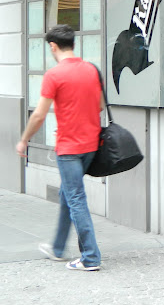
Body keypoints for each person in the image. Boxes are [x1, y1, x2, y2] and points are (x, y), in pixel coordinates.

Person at [16, 25, 103, 271]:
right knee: (68, 194)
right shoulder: (92, 70)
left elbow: (39, 116)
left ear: (53, 46)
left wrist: (24, 139)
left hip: (69, 148)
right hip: (91, 145)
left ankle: (90, 257)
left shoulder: (54, 75)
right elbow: (99, 106)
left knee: (75, 198)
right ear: (72, 44)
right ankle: (57, 248)